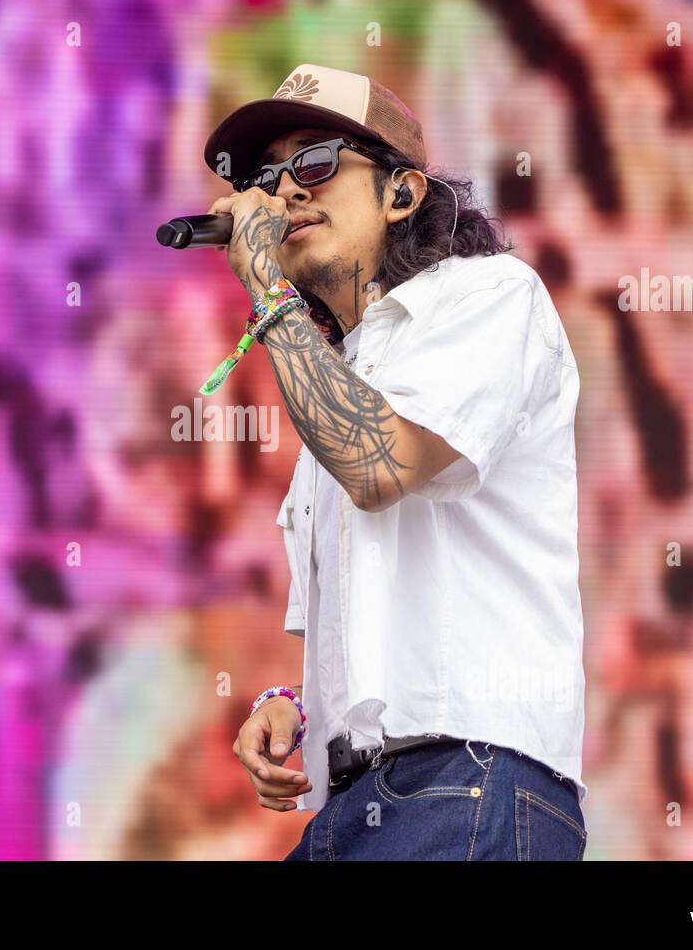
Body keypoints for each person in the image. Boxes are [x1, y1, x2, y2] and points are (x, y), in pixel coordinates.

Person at [208, 64, 588, 860]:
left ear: (402, 193)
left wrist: (267, 291)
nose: (283, 194)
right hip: (357, 806)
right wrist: (295, 704)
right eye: (262, 178)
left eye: (314, 162)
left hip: (471, 780)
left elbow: (379, 468)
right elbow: (376, 618)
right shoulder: (337, 373)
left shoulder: (490, 297)